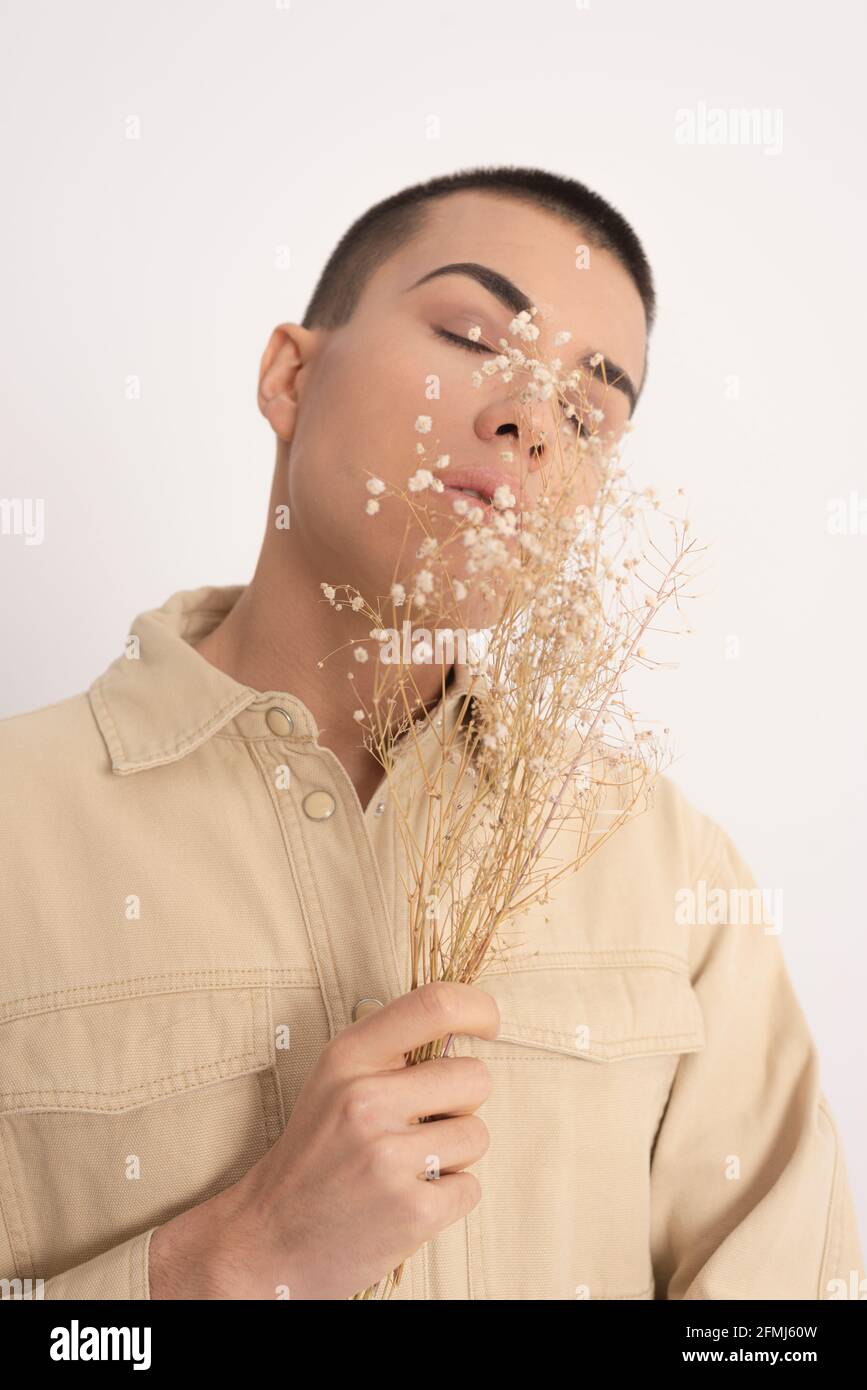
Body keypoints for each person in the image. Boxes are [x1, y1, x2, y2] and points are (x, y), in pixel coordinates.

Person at [0, 167, 861, 1301]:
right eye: (472, 335)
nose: (532, 422)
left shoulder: (663, 863)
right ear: (290, 375)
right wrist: (226, 1265)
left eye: (591, 413)